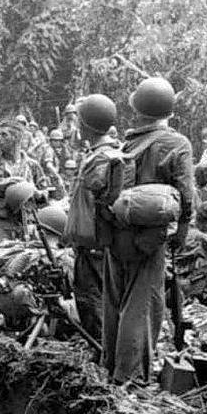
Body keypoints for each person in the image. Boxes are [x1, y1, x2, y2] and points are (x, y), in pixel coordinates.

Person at [103, 77, 194, 382]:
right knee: (141, 307)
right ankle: (130, 377)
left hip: (117, 233)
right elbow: (186, 193)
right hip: (150, 239)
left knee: (115, 303)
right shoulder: (177, 143)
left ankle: (110, 367)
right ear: (168, 109)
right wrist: (182, 230)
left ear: (137, 108)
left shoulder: (124, 145)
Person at [67, 94, 122, 341]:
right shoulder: (101, 154)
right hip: (91, 246)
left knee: (93, 306)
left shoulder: (103, 158)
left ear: (85, 125)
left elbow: (105, 203)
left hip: (96, 249)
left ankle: (102, 358)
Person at [0, 119, 52, 262]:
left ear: (17, 138)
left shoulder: (32, 166)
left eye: (4, 135)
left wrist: (35, 193)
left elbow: (45, 194)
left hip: (27, 225)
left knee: (29, 265)